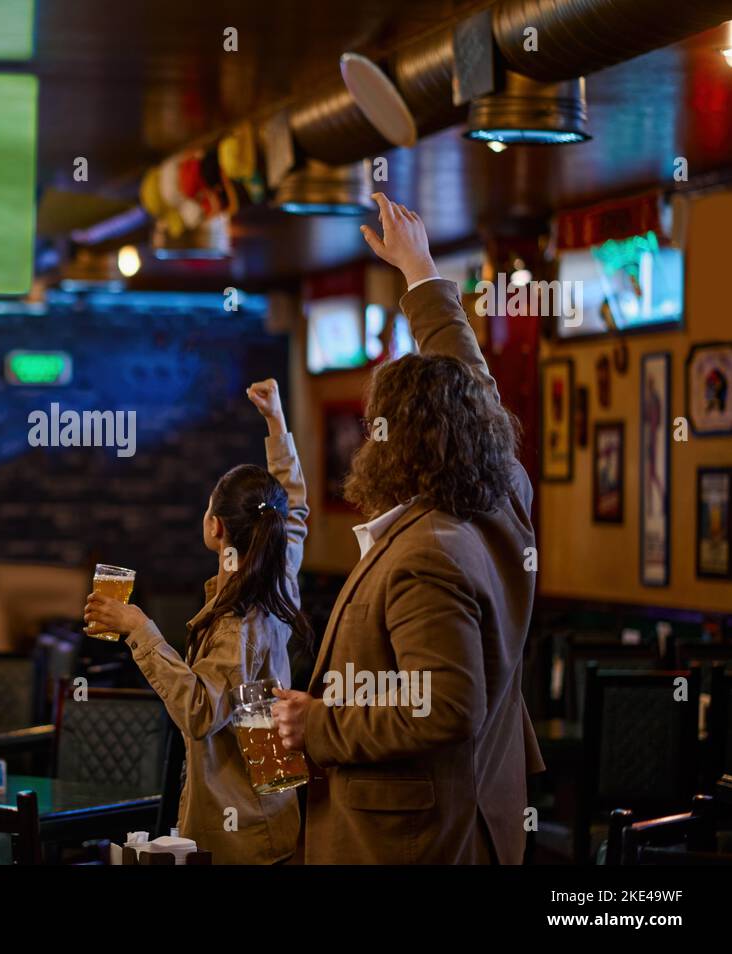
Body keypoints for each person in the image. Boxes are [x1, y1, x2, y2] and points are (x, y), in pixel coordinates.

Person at [272, 193, 544, 864]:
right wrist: (419, 274)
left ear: (392, 444)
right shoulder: (502, 495)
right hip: (478, 818)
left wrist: (318, 725)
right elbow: (469, 380)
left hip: (416, 841)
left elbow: (447, 708)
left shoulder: (429, 554)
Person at [84, 379, 310, 864]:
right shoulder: (278, 573)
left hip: (241, 823)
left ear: (216, 527)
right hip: (272, 799)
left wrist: (137, 627)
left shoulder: (237, 618)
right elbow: (294, 508)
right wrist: (276, 424)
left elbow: (201, 713)